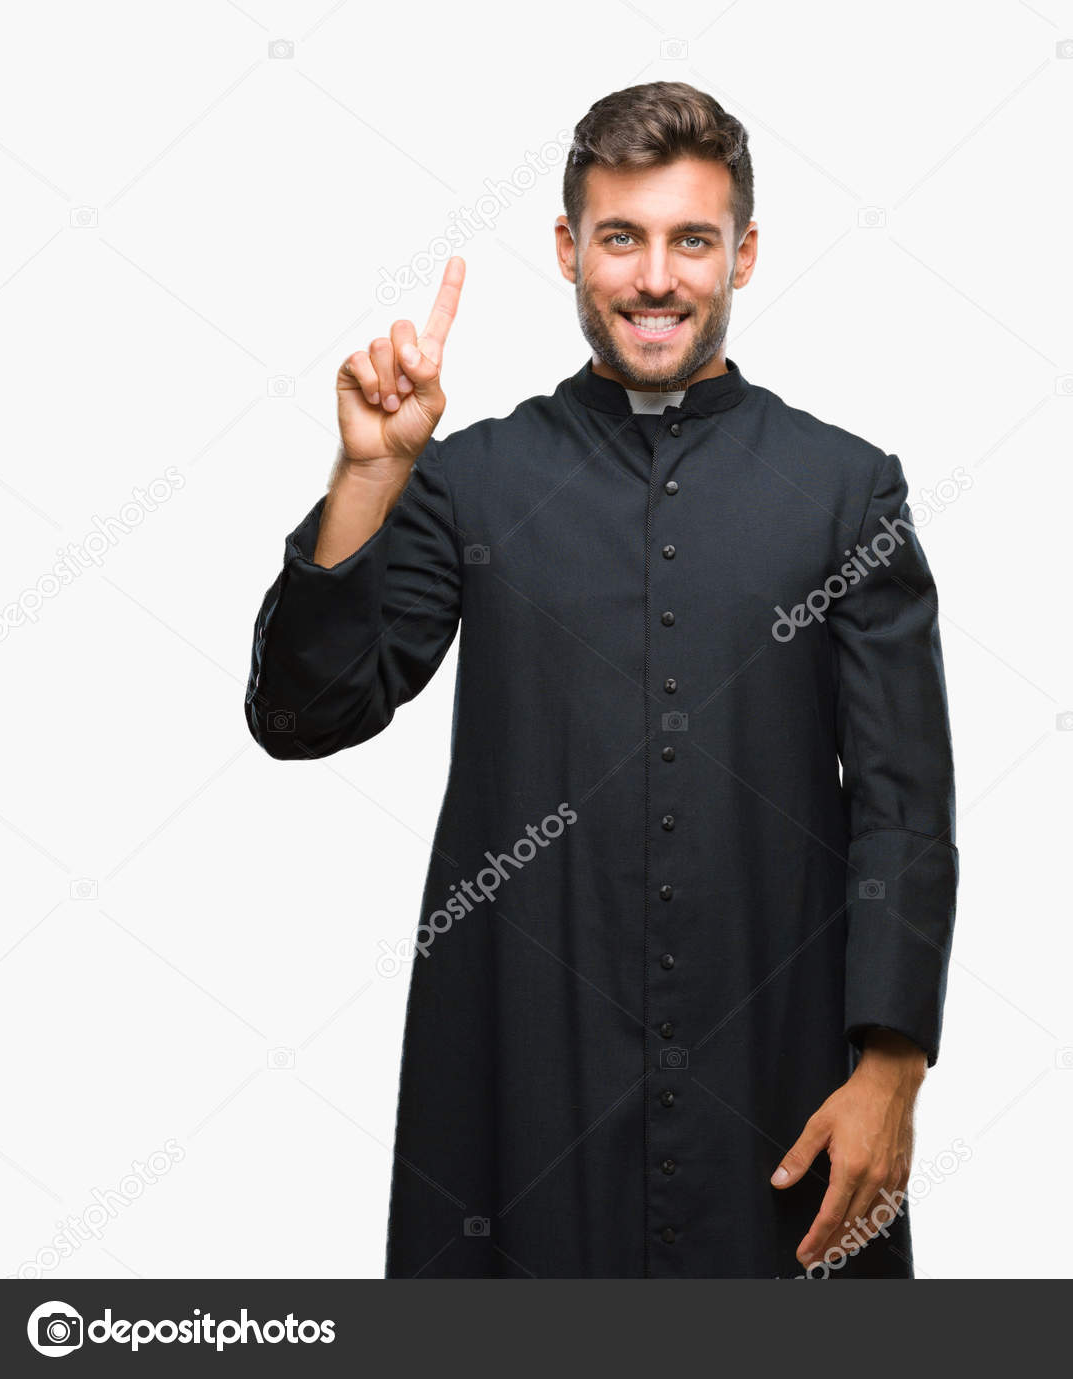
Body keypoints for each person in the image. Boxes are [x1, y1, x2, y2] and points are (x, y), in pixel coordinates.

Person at [244, 81, 959, 1278]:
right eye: (621, 238)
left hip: (776, 1083)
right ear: (571, 249)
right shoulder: (469, 480)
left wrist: (891, 1073)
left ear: (744, 253)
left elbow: (903, 806)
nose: (657, 278)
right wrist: (367, 476)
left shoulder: (845, 490)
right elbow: (303, 714)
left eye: (692, 239)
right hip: (520, 1087)